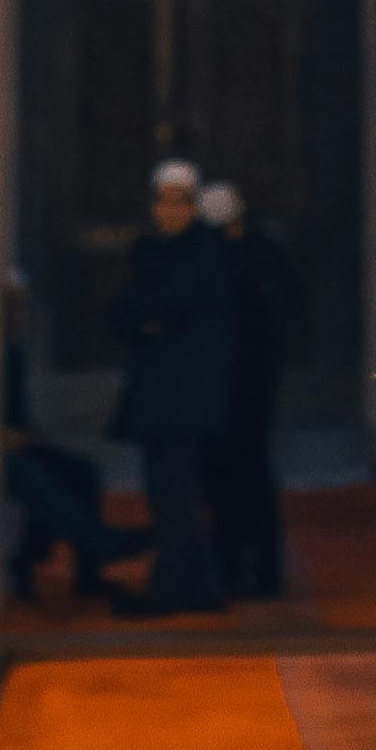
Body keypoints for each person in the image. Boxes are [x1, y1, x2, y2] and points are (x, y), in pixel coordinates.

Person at [109, 155, 239, 615]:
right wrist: (149, 318)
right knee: (169, 489)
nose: (171, 212)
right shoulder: (155, 250)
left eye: (180, 203)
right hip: (164, 390)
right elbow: (124, 313)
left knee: (174, 492)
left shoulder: (204, 252)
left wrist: (149, 316)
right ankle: (203, 588)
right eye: (164, 203)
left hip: (185, 393)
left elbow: (167, 305)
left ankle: (169, 590)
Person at [0, 265, 135, 611]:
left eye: (21, 306)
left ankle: (88, 568)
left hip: (15, 444)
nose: (19, 315)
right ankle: (106, 546)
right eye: (13, 307)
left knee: (80, 471)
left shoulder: (13, 352)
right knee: (33, 480)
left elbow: (18, 420)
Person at [201, 179, 293, 606]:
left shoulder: (249, 260)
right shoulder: (253, 256)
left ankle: (257, 569)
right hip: (233, 384)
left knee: (245, 479)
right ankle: (242, 568)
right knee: (232, 480)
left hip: (246, 386)